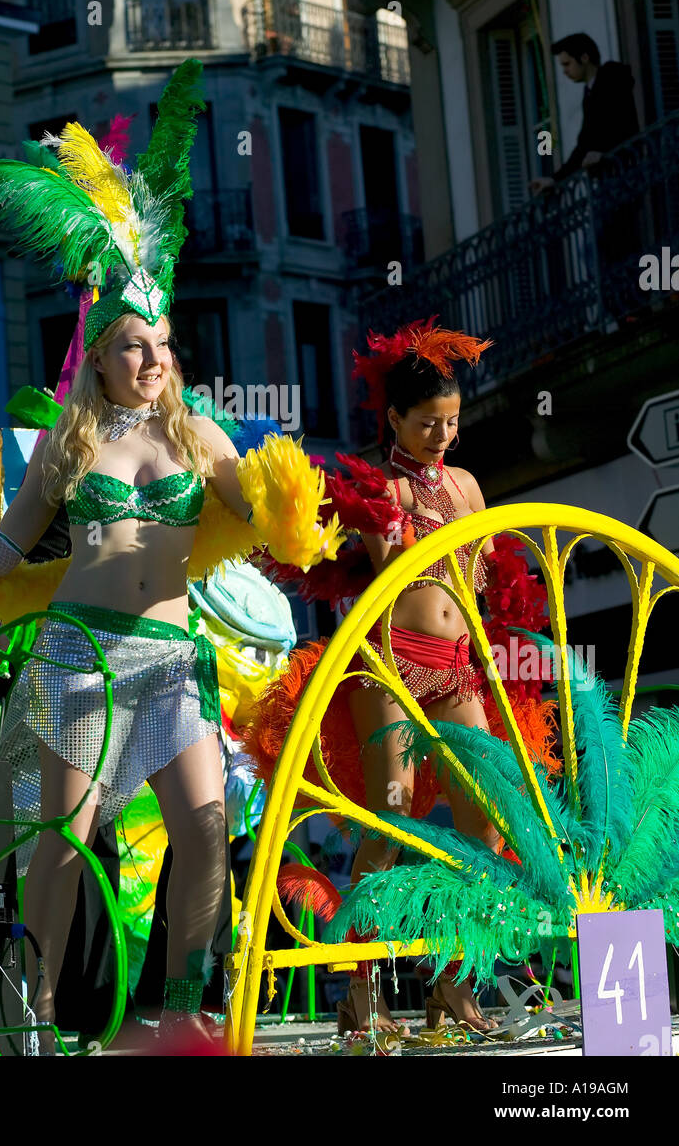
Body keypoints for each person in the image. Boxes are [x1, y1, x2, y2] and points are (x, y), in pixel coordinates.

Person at [0, 62, 342, 1049]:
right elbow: (6, 548)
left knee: (203, 832)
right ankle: (36, 1013)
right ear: (99, 356)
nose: (149, 359)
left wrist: (296, 507)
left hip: (172, 660)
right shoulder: (73, 444)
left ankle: (187, 1012)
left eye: (159, 344)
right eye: (130, 347)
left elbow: (265, 516)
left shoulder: (202, 440)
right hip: (80, 663)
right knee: (59, 848)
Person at [340, 321, 500, 1035]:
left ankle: (453, 979)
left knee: (487, 823)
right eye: (428, 423)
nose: (441, 436)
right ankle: (361, 987)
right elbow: (382, 575)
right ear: (394, 420)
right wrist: (384, 520)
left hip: (457, 668)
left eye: (451, 423)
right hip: (390, 663)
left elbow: (488, 577)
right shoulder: (378, 486)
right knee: (393, 816)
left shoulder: (467, 485)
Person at [529, 33, 639, 194]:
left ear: (585, 57)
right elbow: (584, 144)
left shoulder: (611, 74)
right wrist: (554, 178)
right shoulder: (589, 93)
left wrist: (602, 151)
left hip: (626, 171)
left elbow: (623, 121)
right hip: (611, 181)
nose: (564, 71)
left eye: (567, 64)